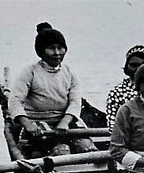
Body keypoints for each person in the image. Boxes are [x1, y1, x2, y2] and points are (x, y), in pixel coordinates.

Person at [7, 22, 97, 156]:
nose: (57, 53)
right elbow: (15, 102)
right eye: (51, 48)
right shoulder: (30, 72)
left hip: (65, 122)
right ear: (41, 51)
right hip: (38, 124)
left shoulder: (70, 72)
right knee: (61, 151)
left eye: (60, 48)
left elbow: (75, 103)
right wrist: (27, 124)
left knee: (88, 148)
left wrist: (65, 122)